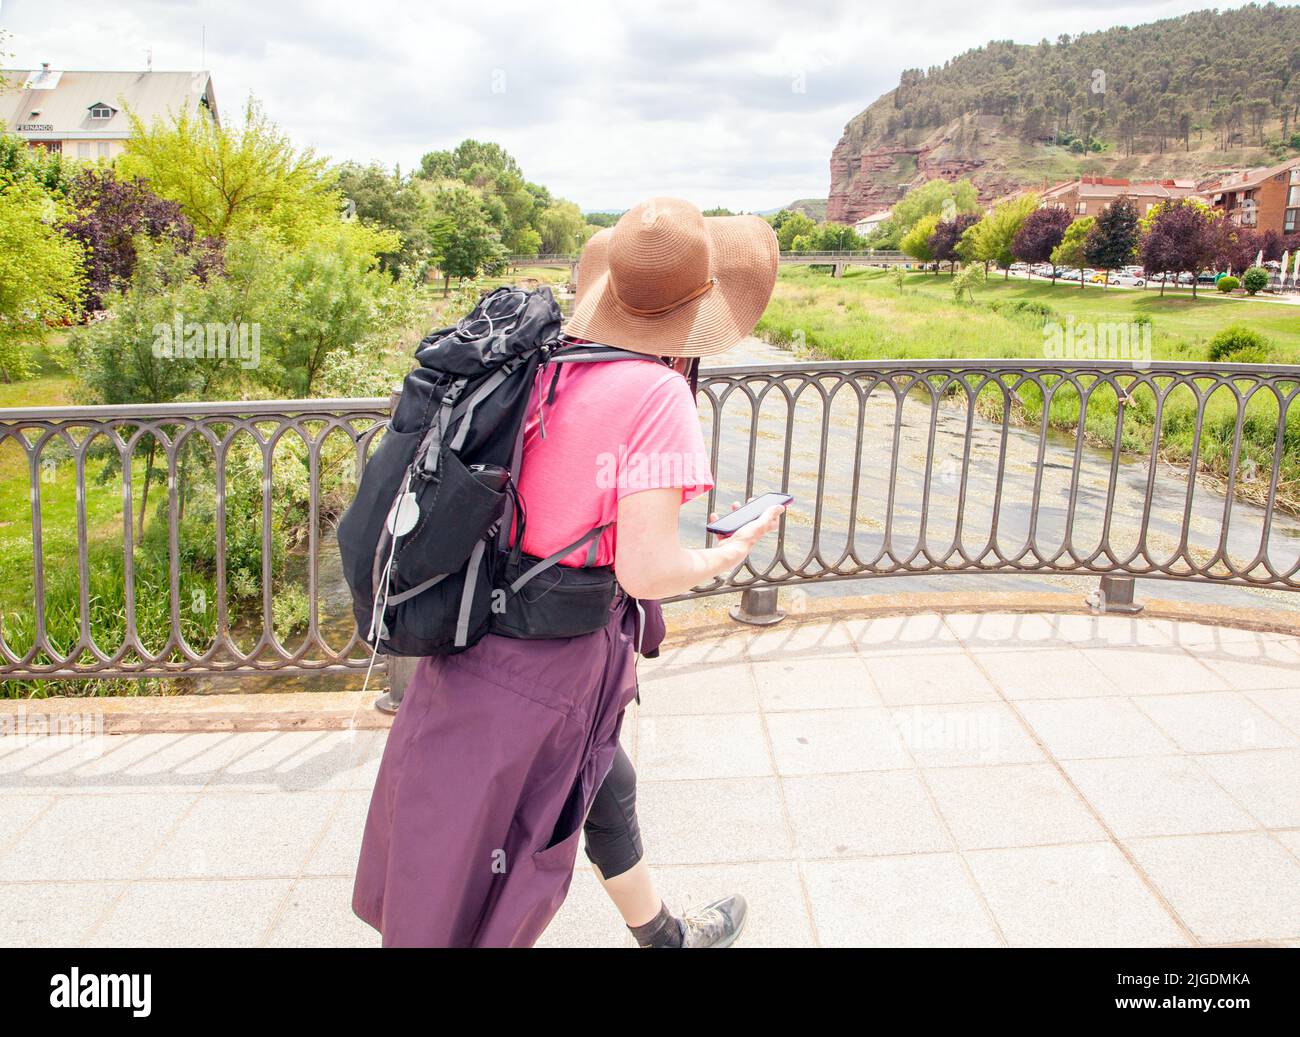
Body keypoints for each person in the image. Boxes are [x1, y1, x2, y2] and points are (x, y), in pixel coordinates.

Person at [352, 196, 782, 947]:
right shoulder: (657, 394)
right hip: (550, 667)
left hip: (474, 631)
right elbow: (646, 570)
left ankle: (664, 935)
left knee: (596, 789)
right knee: (501, 875)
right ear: (699, 312)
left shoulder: (547, 359)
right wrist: (727, 553)